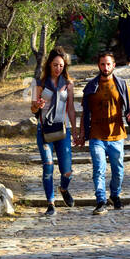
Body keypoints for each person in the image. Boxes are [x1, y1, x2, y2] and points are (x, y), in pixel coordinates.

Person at [77, 50, 130, 215]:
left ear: (114, 65)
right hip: (97, 135)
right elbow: (84, 113)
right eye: (102, 64)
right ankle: (101, 200)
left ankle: (115, 195)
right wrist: (82, 134)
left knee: (118, 170)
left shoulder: (122, 84)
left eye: (108, 64)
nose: (105, 67)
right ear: (98, 65)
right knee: (99, 169)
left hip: (117, 135)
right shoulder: (90, 87)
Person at [31, 46, 76, 218]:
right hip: (45, 130)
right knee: (48, 166)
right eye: (55, 65)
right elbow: (33, 108)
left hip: (62, 130)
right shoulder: (40, 84)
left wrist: (76, 129)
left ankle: (63, 188)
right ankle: (50, 203)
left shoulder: (68, 85)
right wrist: (37, 105)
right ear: (49, 64)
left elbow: (71, 108)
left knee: (67, 171)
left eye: (61, 66)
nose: (58, 68)